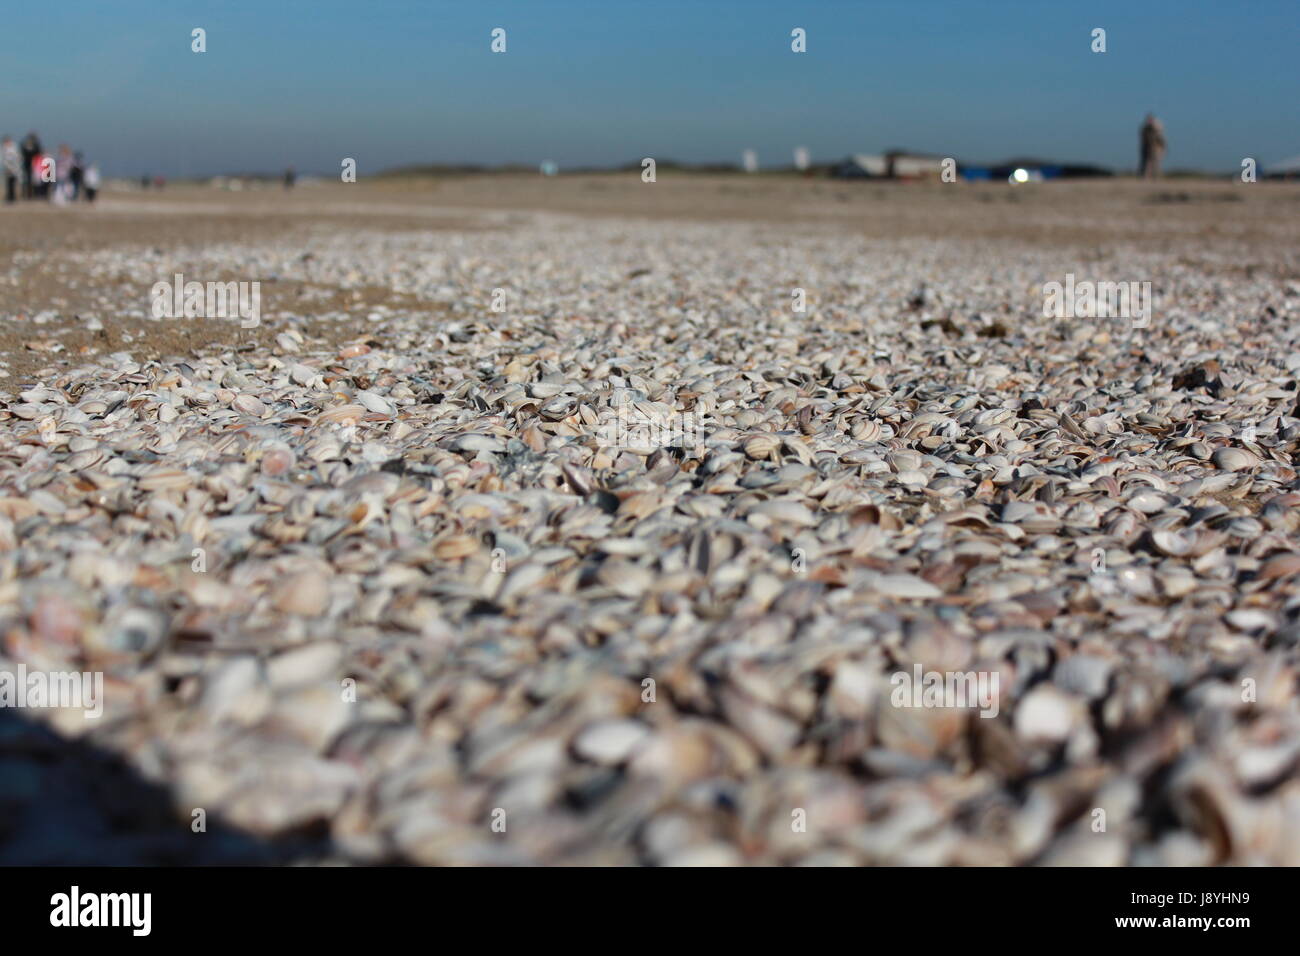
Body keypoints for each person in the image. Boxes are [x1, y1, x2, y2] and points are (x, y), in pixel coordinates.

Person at [1140, 113, 1166, 180]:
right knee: (1147, 163)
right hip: (1147, 148)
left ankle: (1156, 177)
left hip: (1156, 148)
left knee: (1156, 163)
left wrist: (1163, 148)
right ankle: (1145, 177)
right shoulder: (1145, 128)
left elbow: (1161, 139)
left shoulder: (1157, 126)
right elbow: (1143, 139)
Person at [20, 131, 40, 198]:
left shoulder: (36, 147)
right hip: (26, 166)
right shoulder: (24, 147)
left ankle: (33, 194)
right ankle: (25, 195)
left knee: (35, 181)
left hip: (35, 166)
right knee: (25, 181)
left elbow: (38, 154)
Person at [2, 137, 19, 203]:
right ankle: (9, 197)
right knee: (8, 184)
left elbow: (16, 159)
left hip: (14, 170)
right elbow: (4, 160)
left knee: (12, 184)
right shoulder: (4, 149)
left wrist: (13, 168)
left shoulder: (13, 149)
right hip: (7, 170)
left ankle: (12, 197)